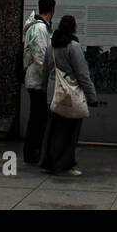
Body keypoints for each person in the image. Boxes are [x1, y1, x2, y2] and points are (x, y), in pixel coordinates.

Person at [39, 14, 97, 176]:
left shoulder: (51, 46)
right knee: (69, 132)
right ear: (73, 28)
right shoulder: (73, 47)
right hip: (69, 95)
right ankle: (64, 163)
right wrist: (92, 96)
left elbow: (45, 71)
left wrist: (45, 91)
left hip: (53, 93)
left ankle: (48, 161)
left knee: (52, 130)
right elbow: (82, 74)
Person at [21, 0, 56, 164]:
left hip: (31, 77)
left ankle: (32, 151)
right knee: (38, 119)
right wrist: (50, 76)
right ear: (52, 10)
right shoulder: (41, 29)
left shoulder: (32, 27)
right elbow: (42, 56)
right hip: (38, 80)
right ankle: (32, 152)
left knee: (36, 118)